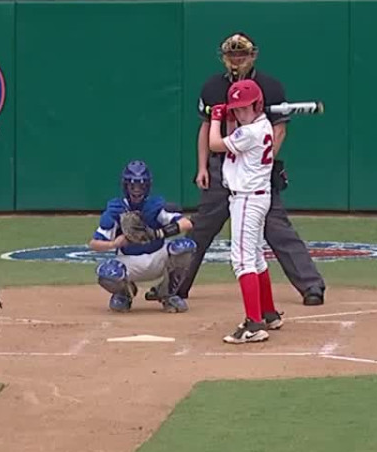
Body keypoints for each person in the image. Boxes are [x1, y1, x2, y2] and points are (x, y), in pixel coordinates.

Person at [178, 32, 326, 306]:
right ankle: (175, 286)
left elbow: (279, 130)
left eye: (242, 54)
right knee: (202, 228)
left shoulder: (270, 86)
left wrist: (258, 161)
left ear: (252, 55)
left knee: (277, 229)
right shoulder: (212, 87)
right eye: (232, 54)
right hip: (220, 165)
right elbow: (205, 130)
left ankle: (311, 286)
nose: (237, 60)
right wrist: (202, 167)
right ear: (224, 58)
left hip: (256, 172)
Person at [210, 80, 279, 344]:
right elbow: (230, 142)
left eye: (244, 108)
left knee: (241, 261)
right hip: (255, 197)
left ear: (257, 104)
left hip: (248, 199)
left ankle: (254, 324)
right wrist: (229, 117)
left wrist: (216, 118)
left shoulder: (251, 132)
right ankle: (268, 313)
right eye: (236, 109)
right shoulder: (256, 127)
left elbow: (216, 144)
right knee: (256, 256)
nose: (240, 113)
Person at [89, 160, 195, 313]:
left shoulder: (155, 206)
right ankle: (125, 292)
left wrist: (158, 233)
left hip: (158, 257)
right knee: (106, 273)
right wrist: (115, 243)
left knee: (185, 247)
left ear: (148, 186)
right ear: (125, 186)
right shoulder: (116, 209)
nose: (137, 190)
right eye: (133, 185)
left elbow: (187, 224)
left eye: (141, 185)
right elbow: (94, 244)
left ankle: (167, 292)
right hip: (129, 262)